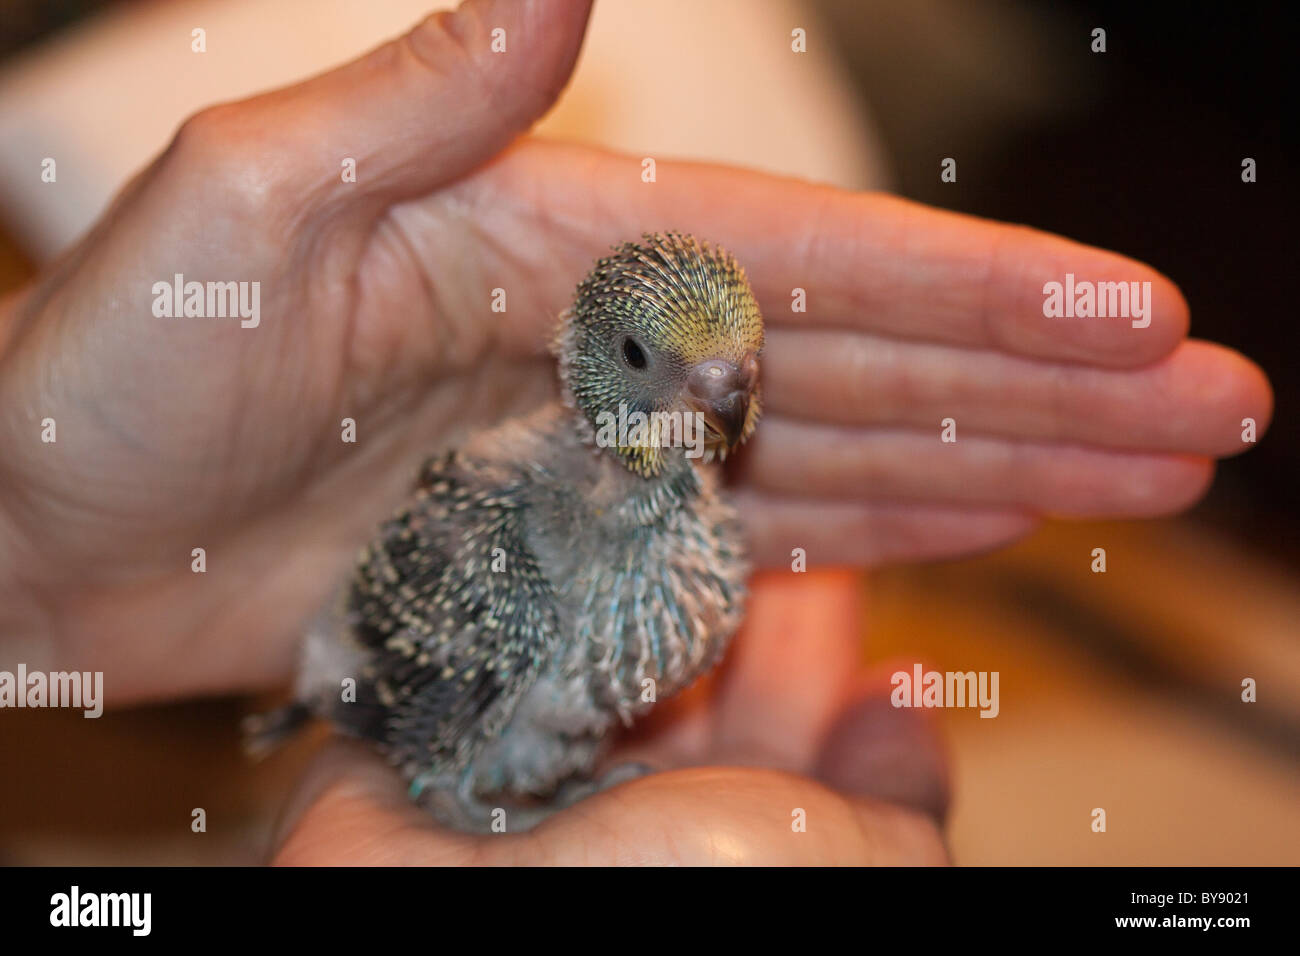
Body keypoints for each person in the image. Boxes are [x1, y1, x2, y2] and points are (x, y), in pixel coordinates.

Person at [0, 0, 1271, 864]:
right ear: (589, 360)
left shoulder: (711, 555)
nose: (717, 401)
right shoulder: (504, 545)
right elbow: (399, 678)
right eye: (659, 364)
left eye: (729, 373)